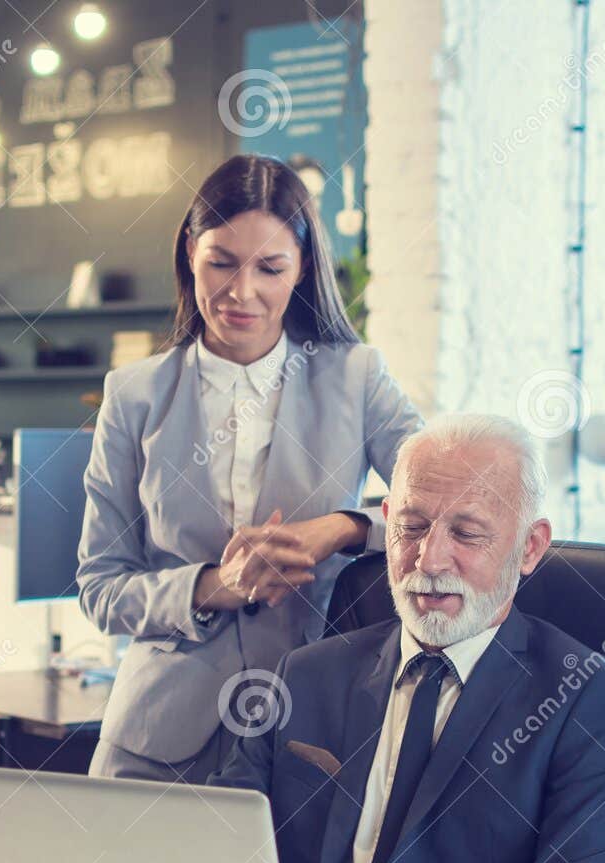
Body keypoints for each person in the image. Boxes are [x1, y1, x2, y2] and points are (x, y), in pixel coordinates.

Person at [210, 415, 605, 863]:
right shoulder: (306, 674)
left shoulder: (588, 696)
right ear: (388, 521)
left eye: (467, 534)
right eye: (413, 527)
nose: (429, 560)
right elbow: (216, 840)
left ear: (530, 547)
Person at [77, 154, 421, 783]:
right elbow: (102, 587)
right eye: (221, 262)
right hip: (156, 738)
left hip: (311, 731)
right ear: (189, 251)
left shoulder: (357, 379)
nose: (242, 291)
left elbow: (440, 503)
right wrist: (211, 586)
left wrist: (344, 527)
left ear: (303, 268)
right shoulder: (134, 395)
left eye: (270, 267)